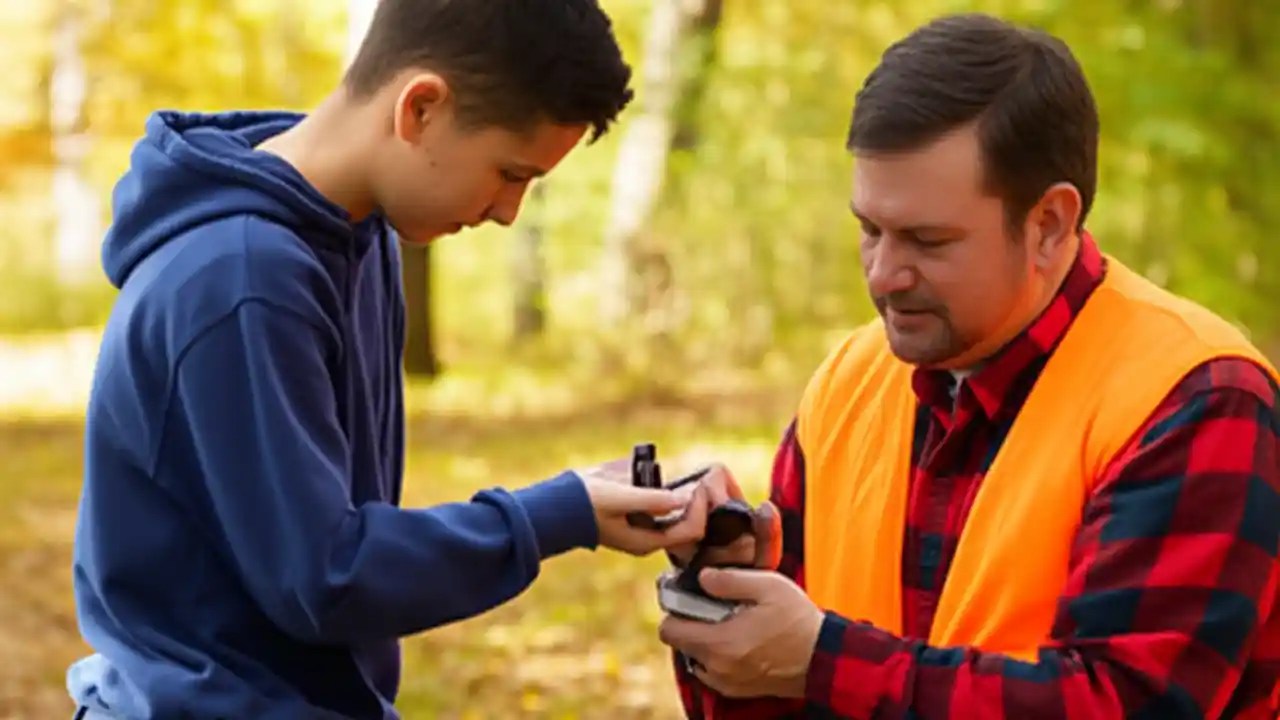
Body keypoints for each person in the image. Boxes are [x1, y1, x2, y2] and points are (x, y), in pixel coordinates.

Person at [66, 1, 728, 718]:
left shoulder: (360, 237)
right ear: (420, 108)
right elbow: (324, 576)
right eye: (510, 173)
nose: (508, 211)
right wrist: (553, 515)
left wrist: (582, 500)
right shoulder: (245, 279)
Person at [656, 12, 1280, 720]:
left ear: (1048, 224)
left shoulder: (1197, 397)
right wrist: (722, 595)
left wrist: (826, 661)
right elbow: (778, 691)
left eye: (927, 240)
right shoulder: (847, 382)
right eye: (869, 230)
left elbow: (1128, 703)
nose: (884, 274)